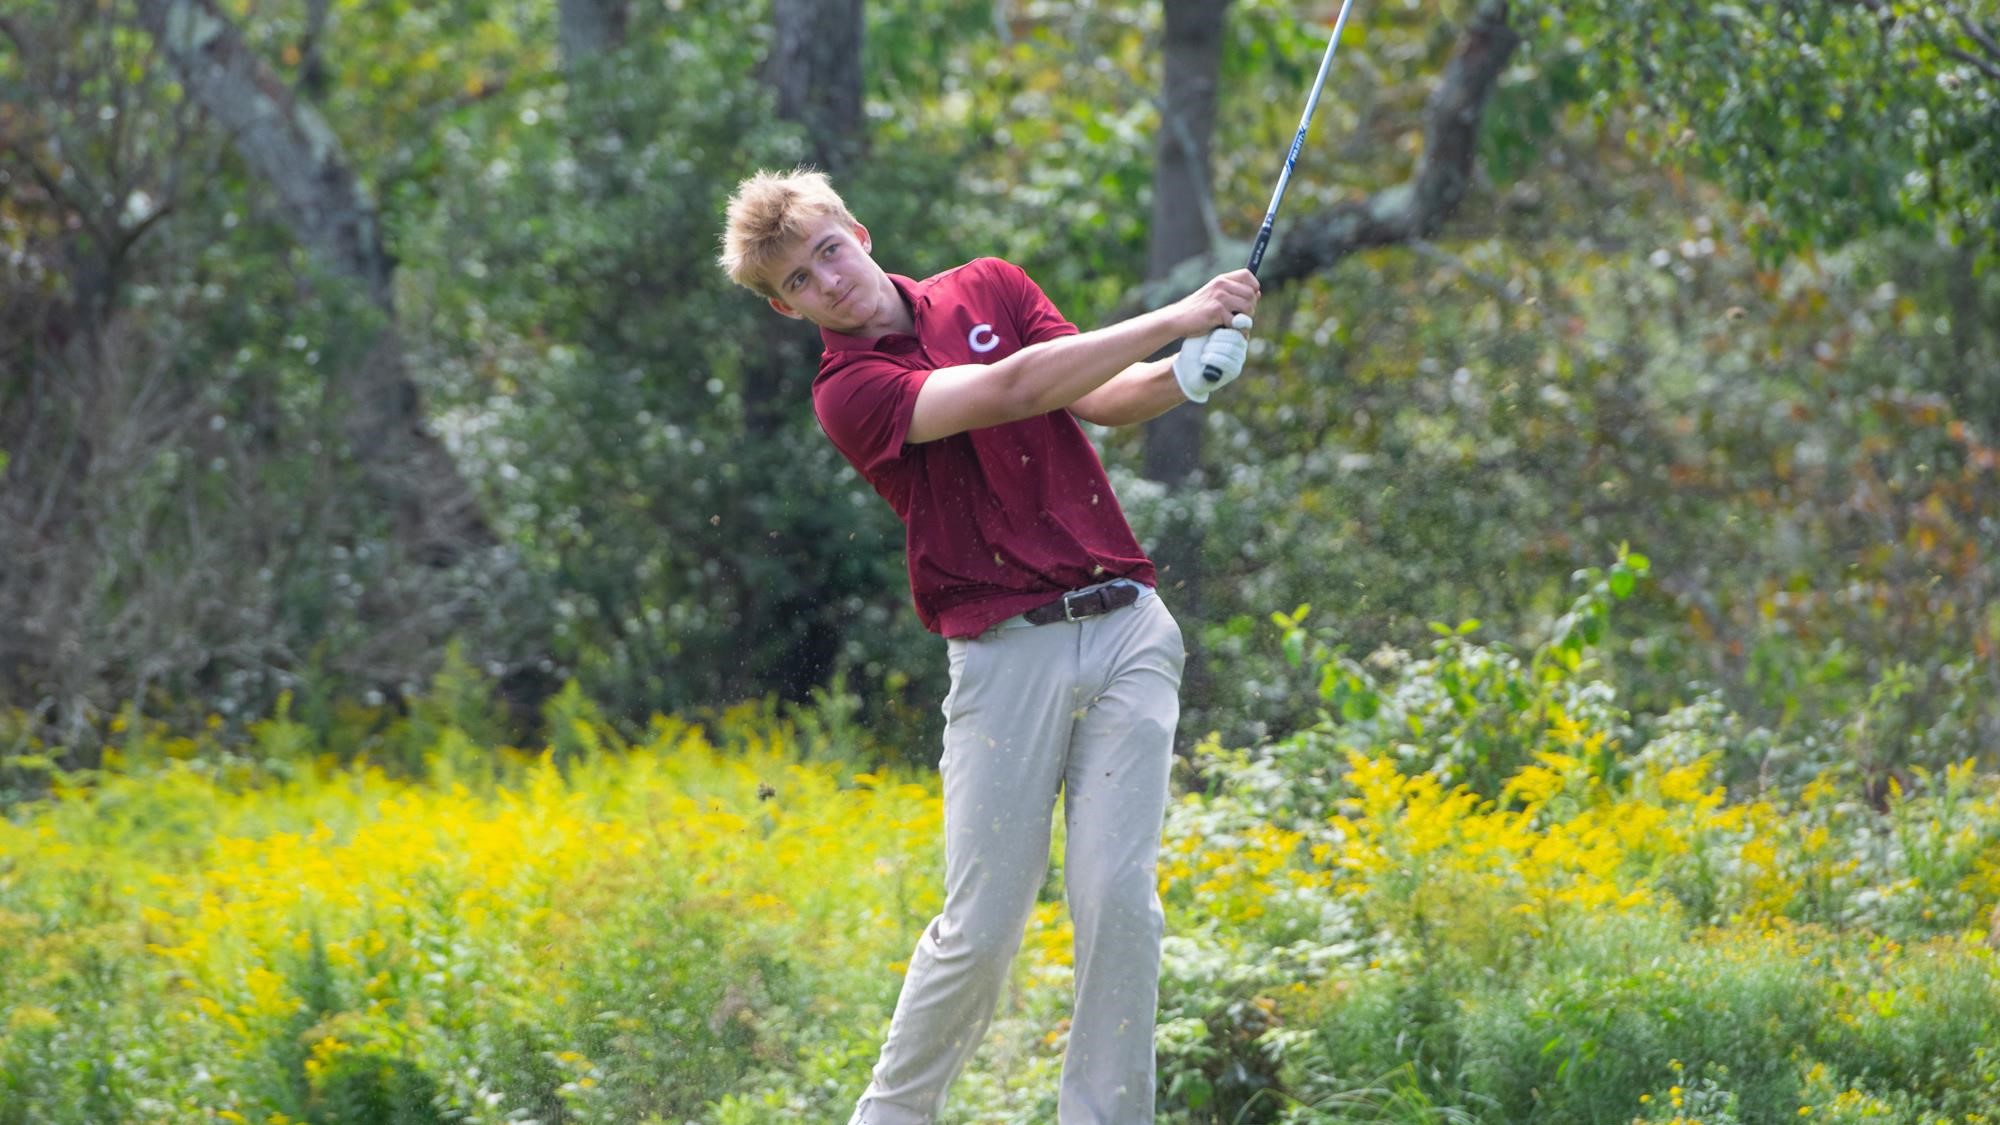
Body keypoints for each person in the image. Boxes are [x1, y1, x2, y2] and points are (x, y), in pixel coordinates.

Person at [717, 168, 1259, 1125]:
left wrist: (1181, 375)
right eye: (798, 279)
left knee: (1119, 902)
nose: (827, 279)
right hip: (1007, 654)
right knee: (981, 929)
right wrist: (1179, 315)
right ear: (784, 305)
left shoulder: (992, 287)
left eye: (828, 249)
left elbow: (1096, 394)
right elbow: (1010, 390)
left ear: (861, 229)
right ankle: (891, 1116)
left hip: (1129, 623)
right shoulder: (851, 392)